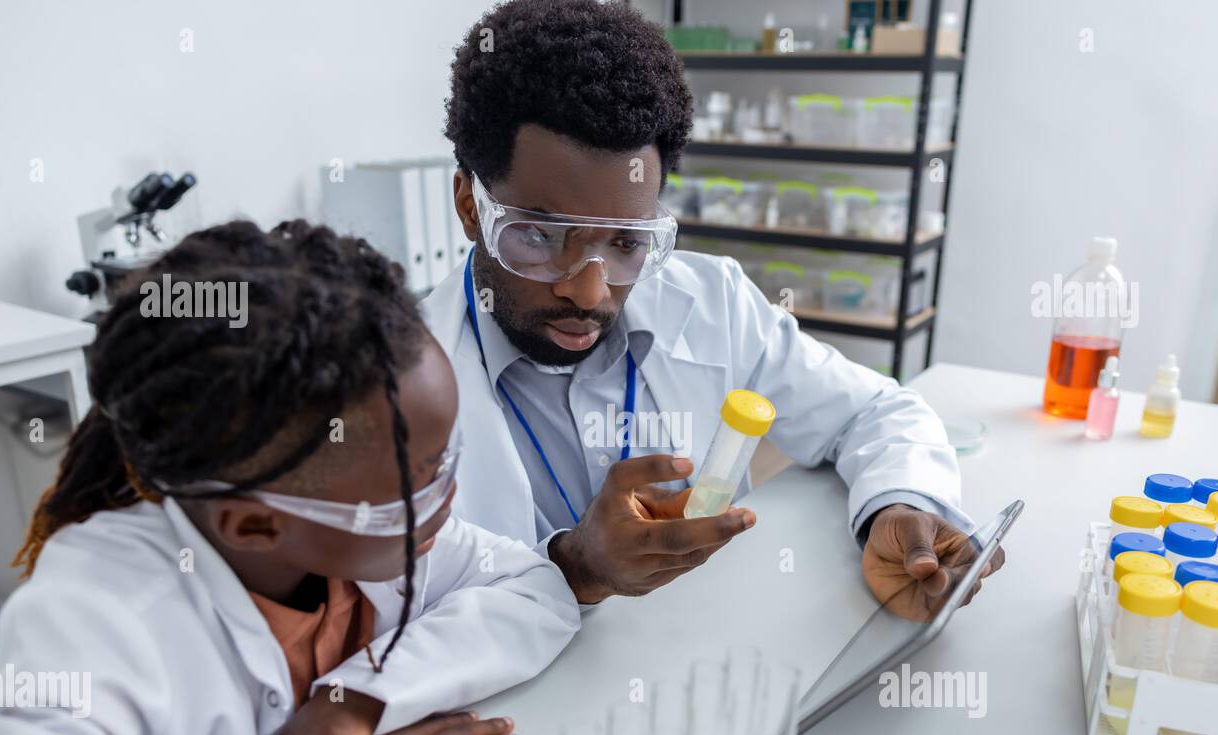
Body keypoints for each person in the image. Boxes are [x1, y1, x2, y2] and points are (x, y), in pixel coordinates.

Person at [0, 220, 579, 735]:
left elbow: (535, 588)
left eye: (447, 456)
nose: (449, 493)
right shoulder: (88, 624)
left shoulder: (363, 534)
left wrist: (354, 699)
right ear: (254, 525)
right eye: (418, 480)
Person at [425, 0, 1002, 620]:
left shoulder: (709, 301)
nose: (590, 294)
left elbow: (873, 410)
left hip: (713, 654)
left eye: (627, 242)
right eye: (540, 236)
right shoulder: (396, 380)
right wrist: (575, 569)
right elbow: (393, 617)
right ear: (469, 206)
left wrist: (899, 503)